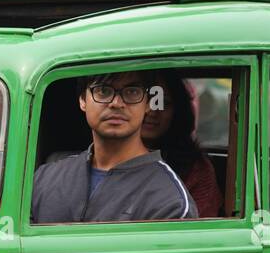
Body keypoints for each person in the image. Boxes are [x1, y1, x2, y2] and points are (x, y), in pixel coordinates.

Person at [31, 71, 196, 224]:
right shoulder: (44, 178)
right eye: (103, 91)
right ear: (83, 100)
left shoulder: (171, 202)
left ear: (148, 103)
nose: (117, 103)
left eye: (132, 92)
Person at [142, 72, 222, 218]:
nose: (152, 110)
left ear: (178, 111)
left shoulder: (195, 169)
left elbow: (199, 231)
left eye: (164, 102)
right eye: (146, 99)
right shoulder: (100, 159)